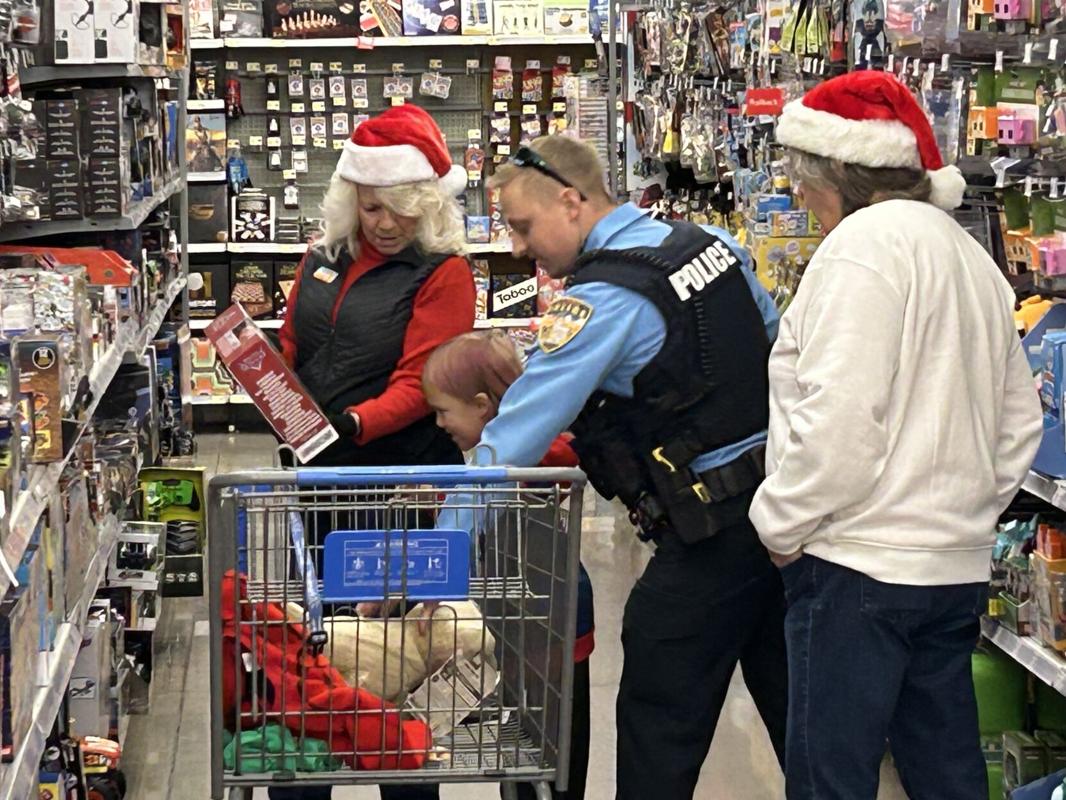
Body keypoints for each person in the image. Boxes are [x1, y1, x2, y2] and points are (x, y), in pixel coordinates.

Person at [748, 70, 1044, 800]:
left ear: (837, 171)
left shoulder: (859, 251)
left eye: (803, 180)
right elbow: (1018, 419)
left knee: (831, 776)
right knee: (945, 767)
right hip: (952, 568)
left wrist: (780, 523)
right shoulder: (971, 259)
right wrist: (970, 511)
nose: (801, 199)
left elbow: (840, 421)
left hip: (857, 563)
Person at [469, 134, 788, 799]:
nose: (520, 247)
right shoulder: (709, 245)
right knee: (804, 718)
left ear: (572, 200)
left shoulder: (603, 299)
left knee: (658, 719)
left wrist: (439, 554)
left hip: (707, 536)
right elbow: (781, 352)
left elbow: (514, 434)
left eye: (525, 227)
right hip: (784, 517)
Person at [271, 104, 475, 800]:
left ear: (426, 204)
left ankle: (406, 783)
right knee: (318, 652)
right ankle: (311, 780)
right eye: (370, 207)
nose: (384, 223)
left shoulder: (444, 273)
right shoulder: (322, 257)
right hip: (321, 481)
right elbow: (296, 345)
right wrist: (272, 386)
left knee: (399, 663)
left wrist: (350, 425)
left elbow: (423, 383)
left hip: (401, 489)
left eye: (398, 210)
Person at [421, 330, 594, 800]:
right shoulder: (493, 462)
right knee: (520, 737)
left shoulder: (525, 459)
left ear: (481, 406)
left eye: (443, 410)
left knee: (552, 741)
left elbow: (530, 480)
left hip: (552, 622)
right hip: (520, 623)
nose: (438, 423)